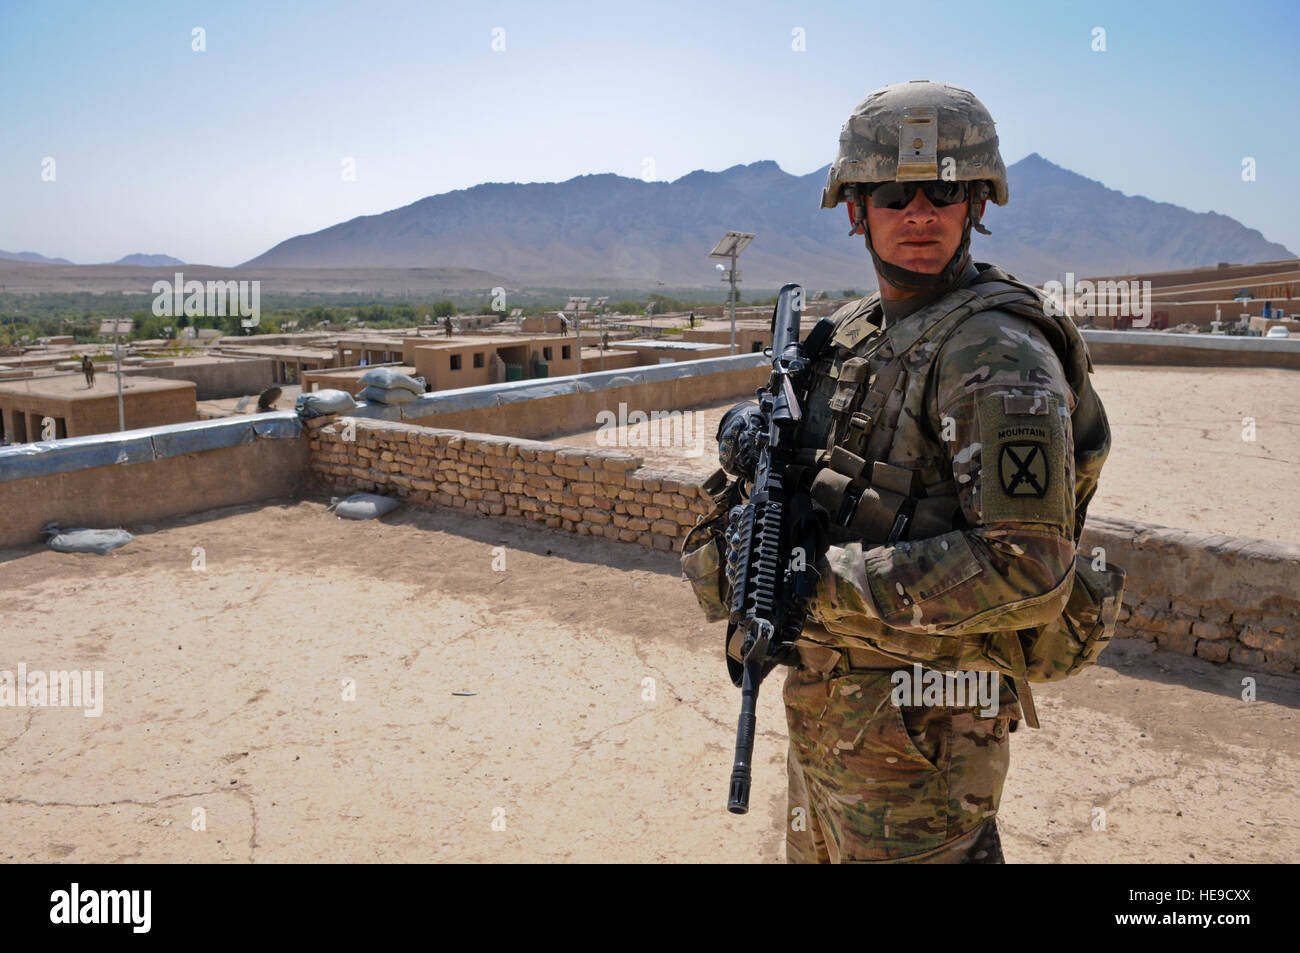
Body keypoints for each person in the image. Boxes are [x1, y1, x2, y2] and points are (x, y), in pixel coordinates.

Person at [703, 80, 1111, 863]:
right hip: (828, 721)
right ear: (856, 208)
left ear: (976, 205)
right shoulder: (853, 331)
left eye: (944, 190)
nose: (919, 212)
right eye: (894, 192)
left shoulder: (996, 352)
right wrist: (744, 436)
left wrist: (814, 586)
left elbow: (1028, 569)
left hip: (922, 747)